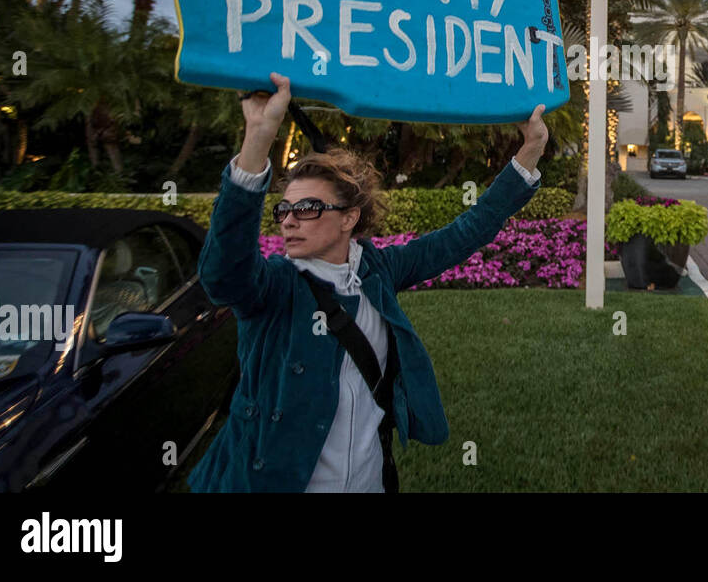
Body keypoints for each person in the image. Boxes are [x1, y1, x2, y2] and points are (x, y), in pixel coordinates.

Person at [188, 72, 548, 493]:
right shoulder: (274, 286)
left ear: (349, 217)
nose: (288, 219)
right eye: (283, 209)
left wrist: (532, 149)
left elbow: (465, 232)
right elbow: (223, 275)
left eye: (306, 207)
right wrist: (259, 137)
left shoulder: (377, 270)